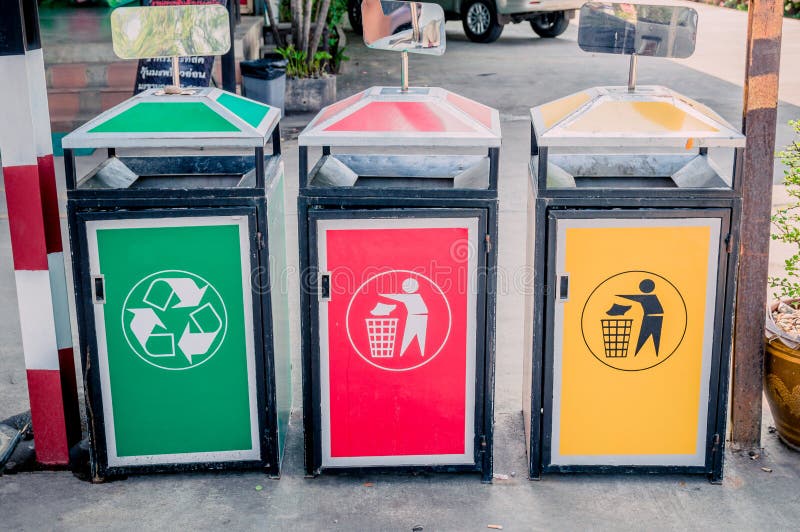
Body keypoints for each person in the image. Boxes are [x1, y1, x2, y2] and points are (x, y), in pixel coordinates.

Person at [381, 277, 428, 357]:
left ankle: (404, 354)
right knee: (416, 337)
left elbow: (397, 296)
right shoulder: (416, 296)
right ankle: (407, 354)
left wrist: (382, 294)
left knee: (410, 337)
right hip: (421, 316)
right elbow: (399, 296)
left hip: (416, 317)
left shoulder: (412, 297)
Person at [618, 278, 663, 356]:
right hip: (654, 317)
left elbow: (635, 297)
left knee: (647, 338)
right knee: (647, 338)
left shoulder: (650, 297)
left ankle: (647, 354)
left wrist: (620, 296)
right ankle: (640, 353)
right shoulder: (651, 297)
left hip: (652, 318)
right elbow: (636, 297)